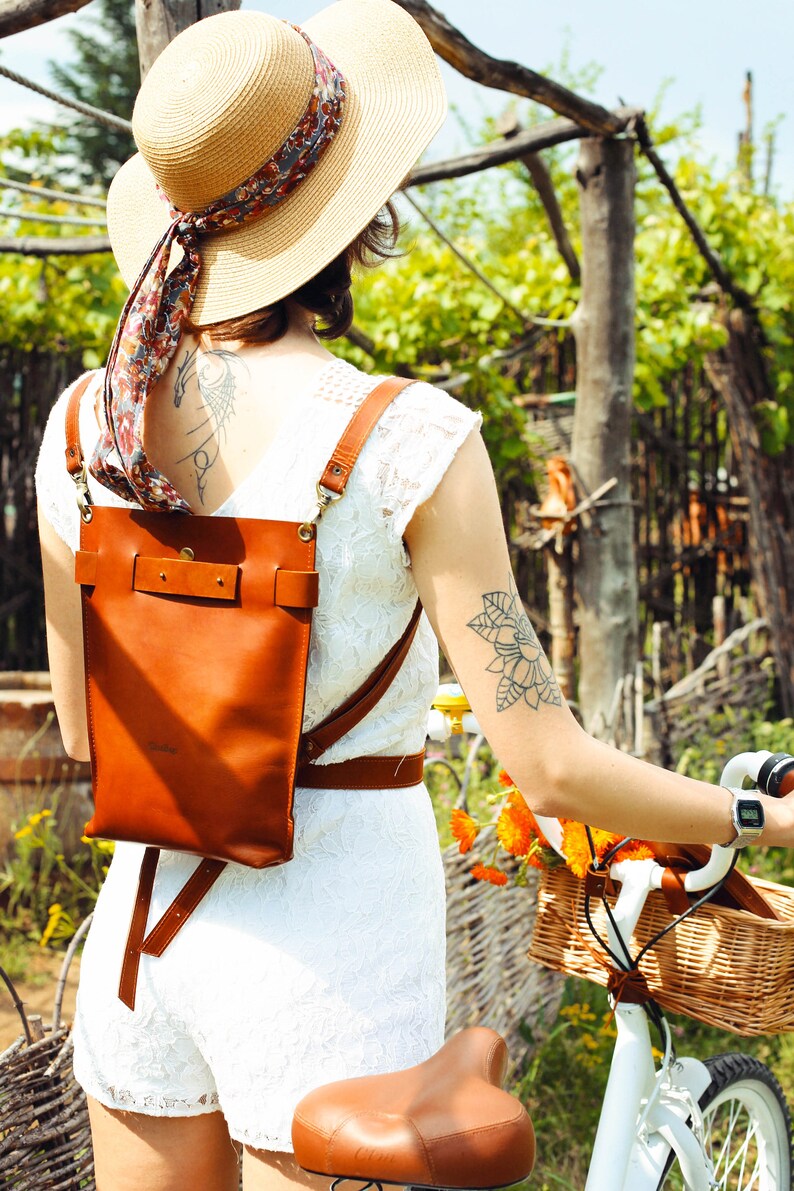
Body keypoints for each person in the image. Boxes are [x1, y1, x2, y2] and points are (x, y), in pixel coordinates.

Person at [35, 2, 794, 1189]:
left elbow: (87, 733)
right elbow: (545, 767)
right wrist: (762, 818)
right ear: (350, 216)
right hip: (326, 968)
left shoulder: (84, 424)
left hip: (141, 947)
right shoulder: (404, 443)